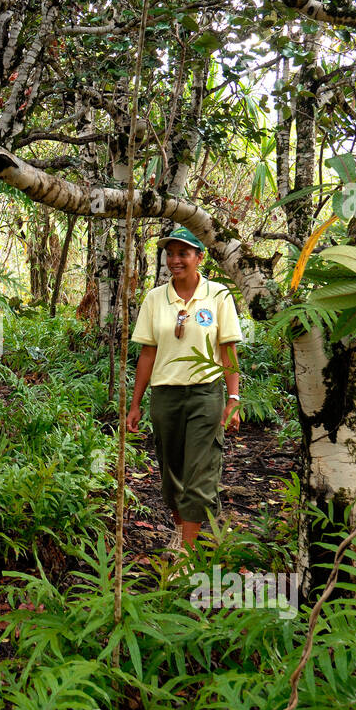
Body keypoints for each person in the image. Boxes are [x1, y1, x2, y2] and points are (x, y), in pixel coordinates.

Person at [126, 227, 243, 553]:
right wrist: (135, 405)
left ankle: (186, 551)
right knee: (172, 472)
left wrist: (233, 399)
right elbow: (147, 354)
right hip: (165, 398)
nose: (174, 260)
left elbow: (228, 351)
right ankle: (182, 530)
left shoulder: (218, 296)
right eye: (170, 253)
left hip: (205, 395)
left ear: (199, 257)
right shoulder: (155, 299)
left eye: (183, 253)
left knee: (200, 472)